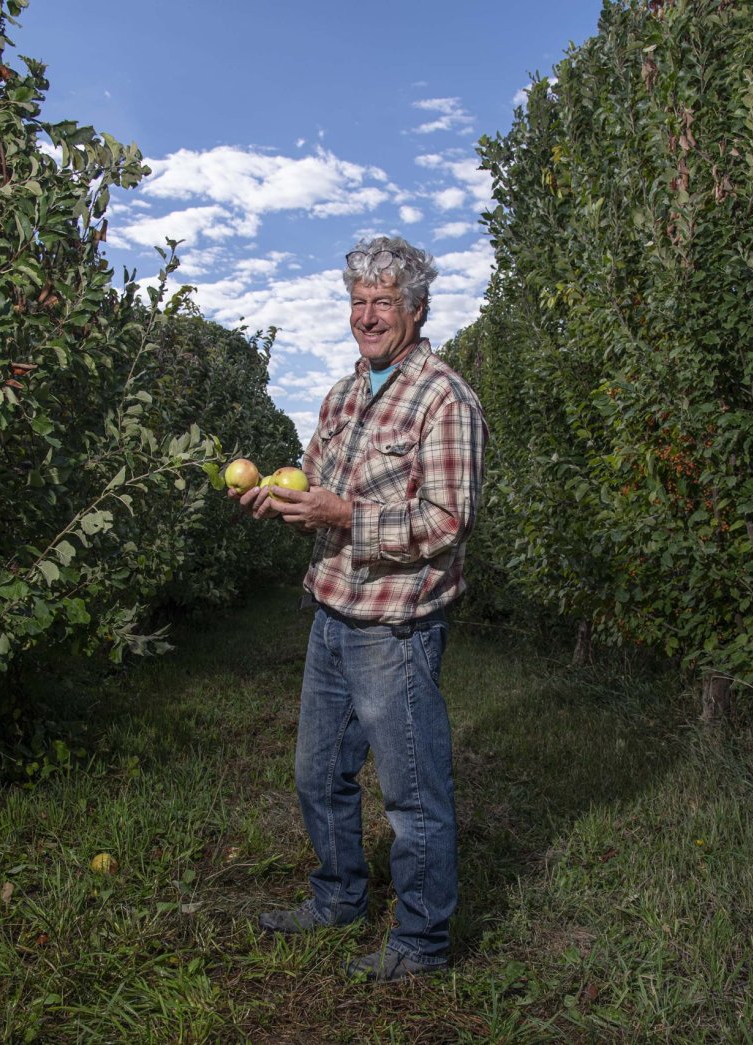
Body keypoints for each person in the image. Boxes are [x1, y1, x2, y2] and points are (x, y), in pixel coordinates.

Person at [231, 235, 487, 981]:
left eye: (383, 301)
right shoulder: (344, 394)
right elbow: (310, 481)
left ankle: (421, 940)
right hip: (331, 612)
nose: (367, 315)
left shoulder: (444, 397)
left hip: (396, 624)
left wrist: (343, 513)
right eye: (357, 300)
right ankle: (339, 896)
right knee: (318, 775)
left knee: (412, 795)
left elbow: (447, 520)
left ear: (415, 307)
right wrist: (276, 496)